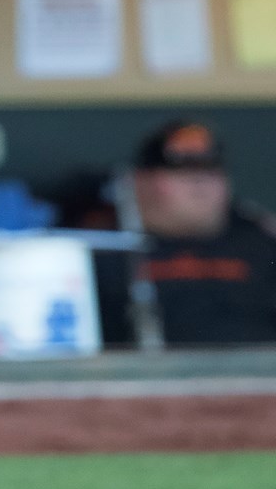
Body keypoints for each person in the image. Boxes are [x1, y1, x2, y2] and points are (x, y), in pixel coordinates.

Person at [106, 121, 276, 345]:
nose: (200, 181)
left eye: (211, 170)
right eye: (180, 171)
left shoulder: (261, 243)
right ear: (140, 181)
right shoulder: (110, 252)